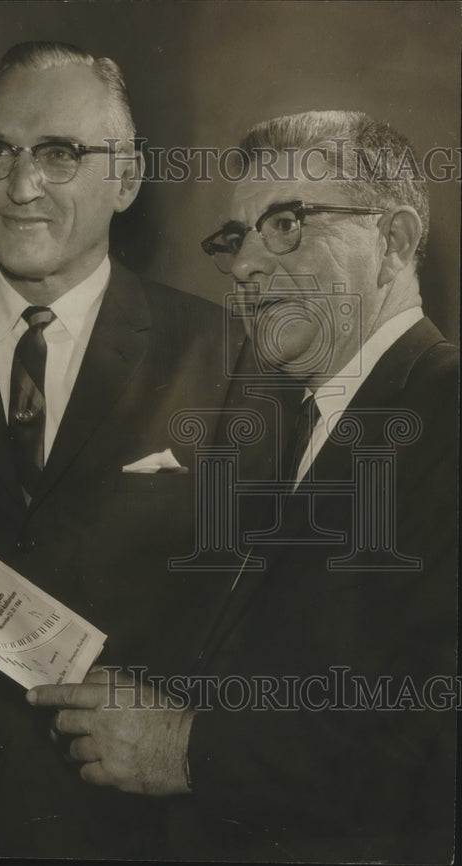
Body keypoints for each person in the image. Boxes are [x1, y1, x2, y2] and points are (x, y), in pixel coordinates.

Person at [31, 111, 458, 863]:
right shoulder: (300, 425)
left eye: (287, 223)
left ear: (391, 243)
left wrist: (188, 749)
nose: (246, 267)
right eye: (236, 238)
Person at [0, 41, 249, 857]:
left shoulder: (225, 357)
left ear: (129, 179)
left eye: (59, 153)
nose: (20, 185)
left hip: (117, 833)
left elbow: (264, 622)